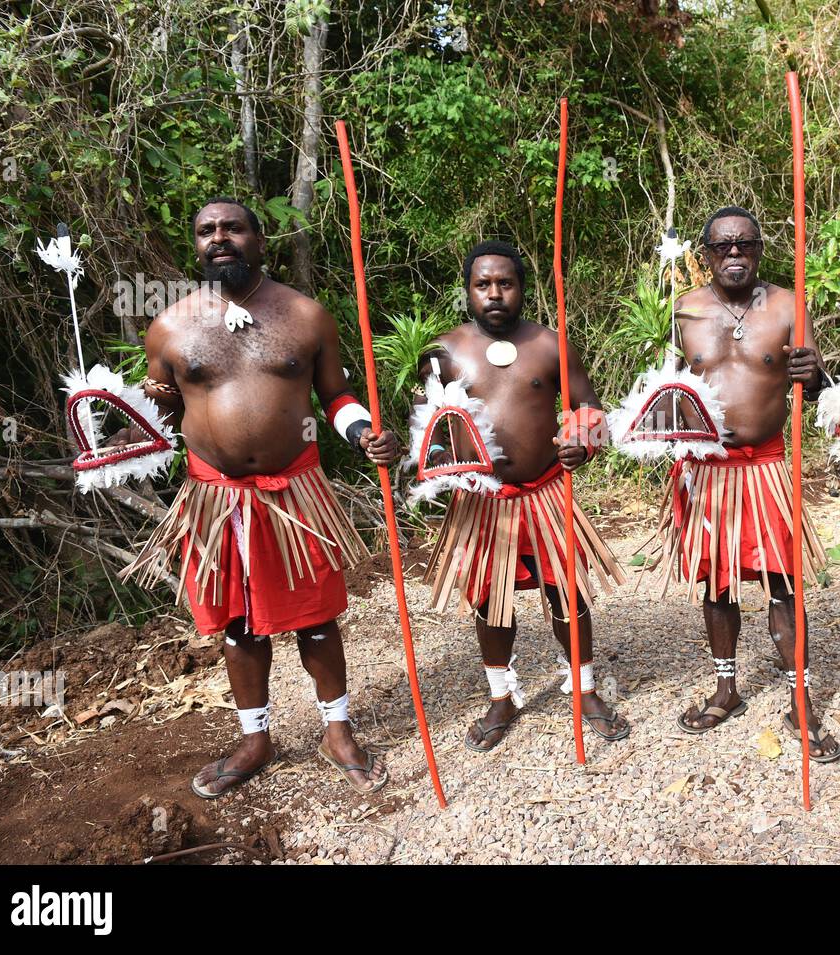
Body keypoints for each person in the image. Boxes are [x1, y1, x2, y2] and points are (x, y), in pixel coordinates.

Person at [118, 198, 395, 796]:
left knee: (316, 618)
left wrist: (362, 431)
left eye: (233, 228)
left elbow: (337, 396)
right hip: (215, 500)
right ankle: (255, 737)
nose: (220, 238)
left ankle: (337, 729)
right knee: (240, 625)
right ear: (195, 245)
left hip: (296, 490)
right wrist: (128, 424)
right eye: (207, 231)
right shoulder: (168, 327)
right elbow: (165, 414)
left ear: (259, 240)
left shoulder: (306, 316)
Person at [415, 240, 629, 752]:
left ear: (521, 288)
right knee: (491, 601)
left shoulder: (551, 344)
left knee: (566, 594)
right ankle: (501, 697)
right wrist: (441, 466)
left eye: (504, 283)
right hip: (482, 502)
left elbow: (591, 409)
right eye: (482, 284)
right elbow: (429, 429)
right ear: (467, 290)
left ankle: (584, 690)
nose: (494, 294)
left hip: (547, 491)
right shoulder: (442, 353)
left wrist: (583, 444)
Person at [662, 207, 838, 762]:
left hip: (766, 467)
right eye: (722, 246)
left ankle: (799, 700)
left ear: (759, 249)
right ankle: (726, 688)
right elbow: (668, 387)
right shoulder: (683, 309)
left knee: (783, 583)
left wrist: (817, 375)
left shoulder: (788, 305)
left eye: (745, 245)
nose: (734, 254)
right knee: (716, 585)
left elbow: (820, 389)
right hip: (706, 469)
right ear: (706, 252)